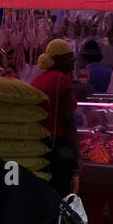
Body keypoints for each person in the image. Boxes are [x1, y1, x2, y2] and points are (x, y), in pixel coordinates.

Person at [31, 38, 82, 198]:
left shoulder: (39, 79)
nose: (73, 62)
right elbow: (67, 119)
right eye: (70, 58)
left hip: (41, 143)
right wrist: (77, 152)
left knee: (46, 189)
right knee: (62, 192)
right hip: (59, 144)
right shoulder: (63, 79)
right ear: (59, 60)